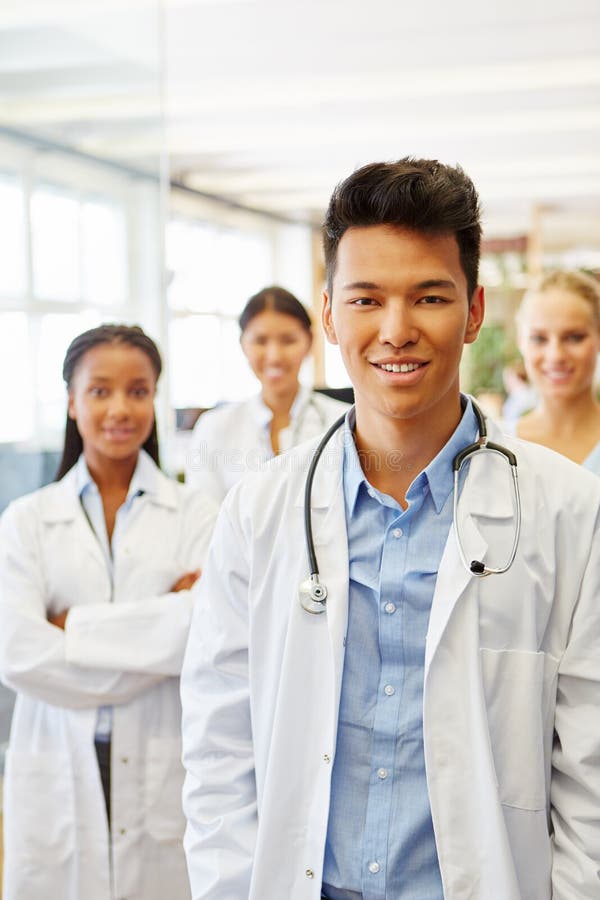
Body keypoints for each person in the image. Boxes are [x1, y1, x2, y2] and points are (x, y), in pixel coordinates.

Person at [180, 160, 600, 900]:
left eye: (429, 297)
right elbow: (218, 753)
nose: (396, 330)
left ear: (472, 311)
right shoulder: (259, 512)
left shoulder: (569, 510)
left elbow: (590, 776)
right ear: (331, 315)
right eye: (366, 299)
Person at [0, 324, 218, 900]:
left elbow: (205, 633)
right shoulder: (25, 522)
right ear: (71, 402)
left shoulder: (197, 514)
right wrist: (162, 628)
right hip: (58, 757)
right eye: (99, 391)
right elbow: (17, 652)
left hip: (164, 756)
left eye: (138, 391)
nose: (120, 408)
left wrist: (71, 626)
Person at [185, 285, 349, 503]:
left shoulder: (344, 423)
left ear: (309, 342)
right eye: (260, 341)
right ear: (243, 344)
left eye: (288, 340)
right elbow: (204, 520)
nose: (274, 356)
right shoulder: (214, 428)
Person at [514, 269, 600, 474]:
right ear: (521, 342)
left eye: (574, 337)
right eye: (539, 339)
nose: (556, 356)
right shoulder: (495, 448)